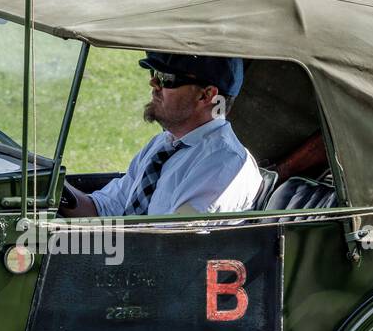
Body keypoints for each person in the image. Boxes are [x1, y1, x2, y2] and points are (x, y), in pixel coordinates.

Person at [60, 52, 262, 217]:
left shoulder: (222, 163)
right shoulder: (163, 144)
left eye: (167, 79)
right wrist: (54, 190)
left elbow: (167, 248)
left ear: (206, 95)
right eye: (154, 73)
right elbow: (105, 209)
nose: (154, 84)